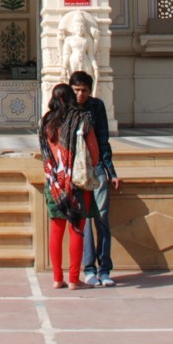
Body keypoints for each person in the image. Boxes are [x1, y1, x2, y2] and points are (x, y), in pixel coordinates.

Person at [39, 83, 98, 289]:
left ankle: (57, 278)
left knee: (56, 229)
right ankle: (74, 279)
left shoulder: (46, 122)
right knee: (77, 229)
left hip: (54, 182)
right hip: (76, 183)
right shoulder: (82, 119)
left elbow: (45, 151)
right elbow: (94, 153)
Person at [70, 70, 120, 287]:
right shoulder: (68, 108)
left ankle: (105, 268)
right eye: (76, 90)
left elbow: (103, 140)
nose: (80, 95)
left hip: (97, 167)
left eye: (83, 91)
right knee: (86, 219)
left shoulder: (97, 106)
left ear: (90, 91)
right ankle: (89, 268)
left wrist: (112, 172)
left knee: (101, 217)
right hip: (77, 171)